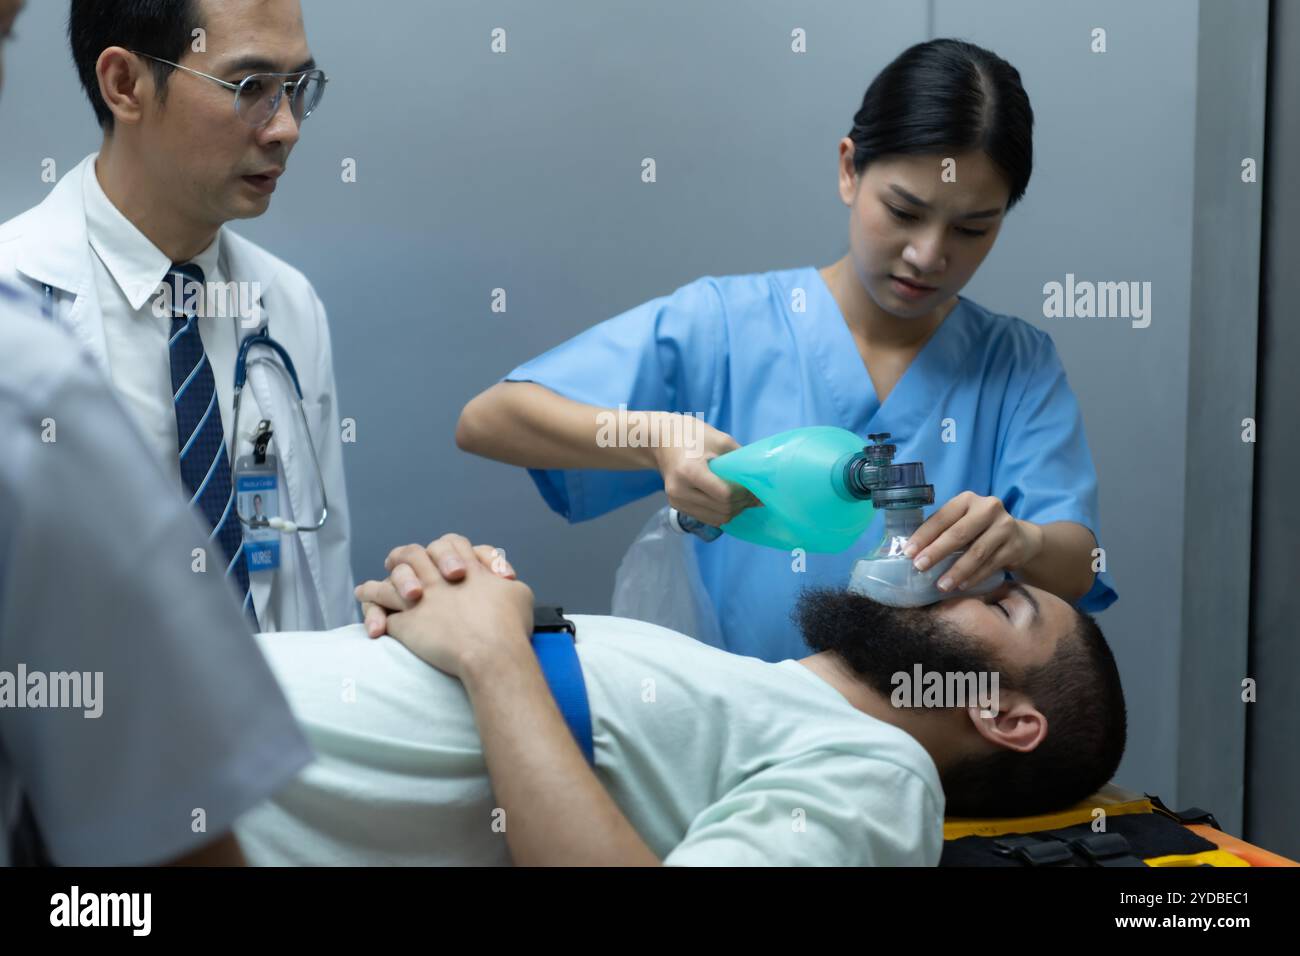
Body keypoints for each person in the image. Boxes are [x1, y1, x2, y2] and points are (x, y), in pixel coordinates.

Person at [448, 39, 1119, 662]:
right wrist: (656, 437)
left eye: (973, 228)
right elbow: (488, 420)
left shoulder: (1015, 365)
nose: (929, 256)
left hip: (930, 745)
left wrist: (1024, 542)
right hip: (740, 742)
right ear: (850, 169)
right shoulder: (727, 326)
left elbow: (1078, 563)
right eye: (906, 212)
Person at [232, 533, 1126, 866]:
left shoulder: (884, 777)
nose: (956, 570)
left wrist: (494, 654)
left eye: (1000, 599)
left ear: (1006, 717)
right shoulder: (742, 684)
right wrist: (450, 594)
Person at [0, 0, 353, 632]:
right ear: (124, 85)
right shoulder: (14, 301)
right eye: (251, 88)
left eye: (299, 87)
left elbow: (322, 586)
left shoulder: (289, 305)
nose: (287, 128)